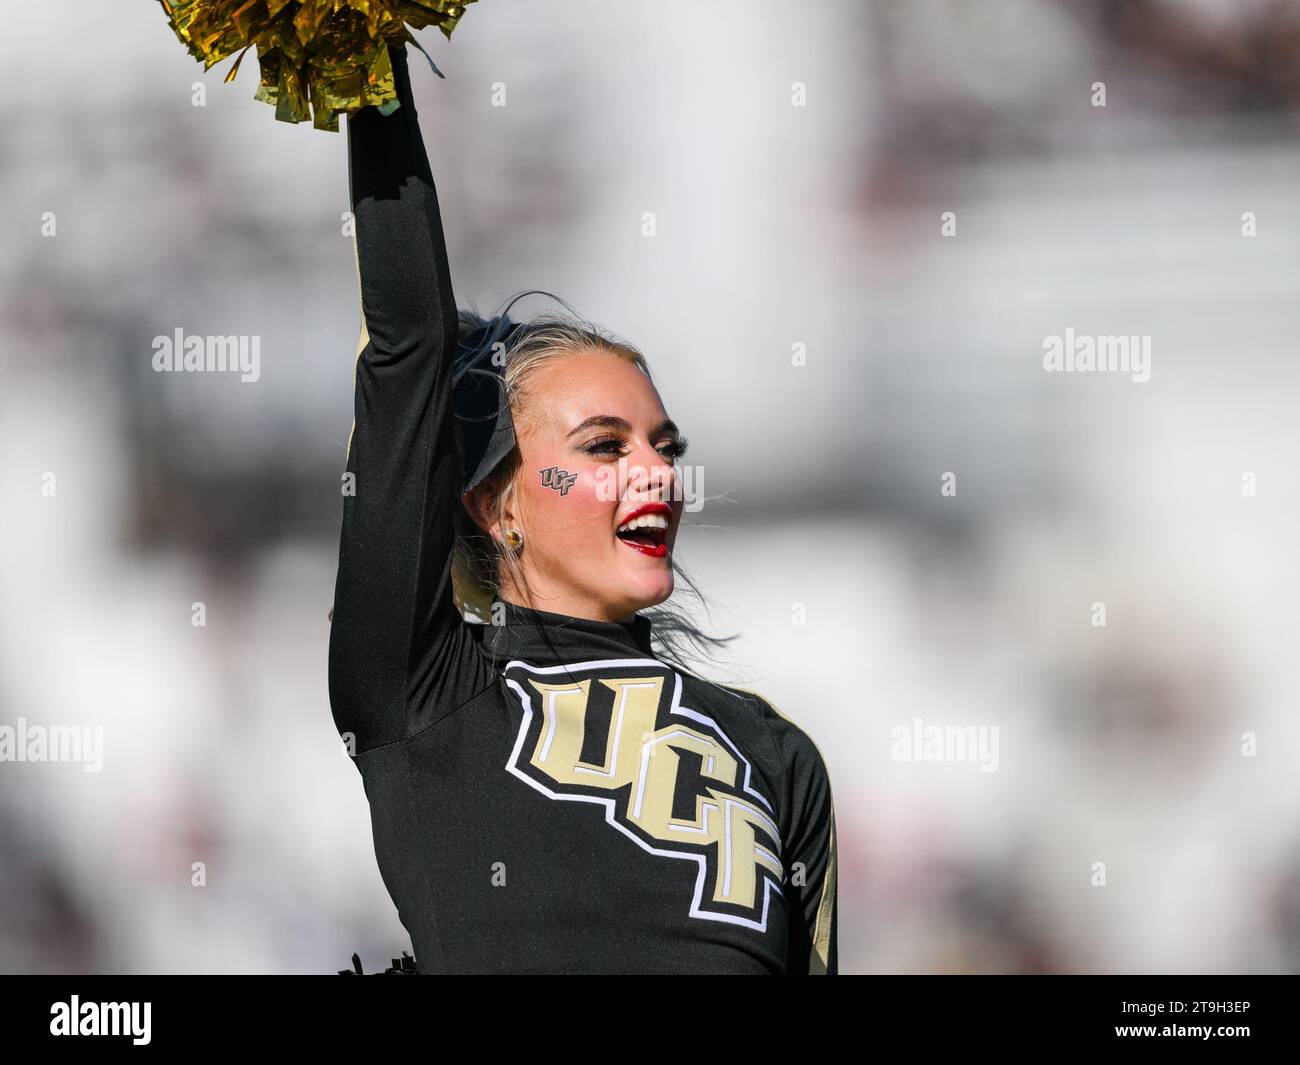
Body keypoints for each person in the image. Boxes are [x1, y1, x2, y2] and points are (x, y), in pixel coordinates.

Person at [329, 41, 838, 974]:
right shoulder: (425, 693)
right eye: (604, 446)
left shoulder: (778, 755)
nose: (655, 473)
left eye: (663, 445)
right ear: (494, 505)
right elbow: (409, 346)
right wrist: (368, 54)